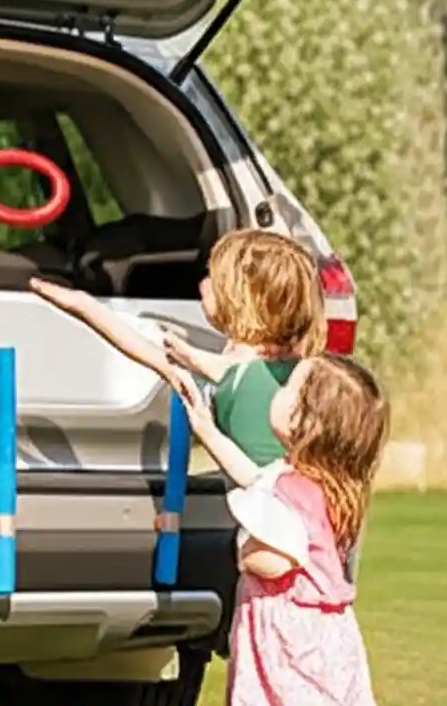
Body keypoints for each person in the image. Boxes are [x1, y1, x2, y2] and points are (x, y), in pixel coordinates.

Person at [180, 353, 389, 706]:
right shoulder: (314, 481)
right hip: (320, 634)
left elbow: (278, 558)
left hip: (291, 639)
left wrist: (244, 552)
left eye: (288, 387)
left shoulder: (296, 491)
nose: (277, 390)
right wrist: (207, 431)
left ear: (306, 420)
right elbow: (254, 478)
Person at [29, 228, 326, 466]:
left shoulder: (254, 371)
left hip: (279, 514)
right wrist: (82, 304)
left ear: (243, 298)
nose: (203, 283)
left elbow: (153, 353)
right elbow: (152, 352)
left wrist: (83, 305)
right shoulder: (266, 367)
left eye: (215, 280)